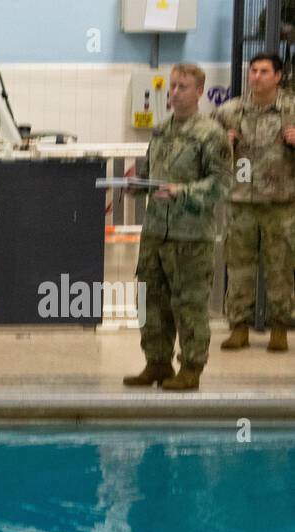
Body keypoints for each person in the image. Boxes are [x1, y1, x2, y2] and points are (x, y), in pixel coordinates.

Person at [124, 63, 229, 391]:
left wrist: (183, 192)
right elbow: (148, 174)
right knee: (149, 299)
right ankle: (157, 362)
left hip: (190, 235)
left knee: (189, 302)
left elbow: (222, 185)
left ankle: (192, 368)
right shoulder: (161, 130)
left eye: (183, 87)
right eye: (172, 86)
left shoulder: (210, 134)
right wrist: (136, 184)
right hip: (156, 230)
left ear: (199, 92)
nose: (175, 92)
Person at [214, 52, 295, 353]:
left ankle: (279, 329)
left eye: (263, 71)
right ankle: (238, 328)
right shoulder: (230, 111)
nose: (256, 76)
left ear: (278, 76)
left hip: (281, 204)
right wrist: (225, 144)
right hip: (241, 202)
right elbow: (208, 153)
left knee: (281, 269)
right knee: (238, 268)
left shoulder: (291, 110)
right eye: (253, 70)